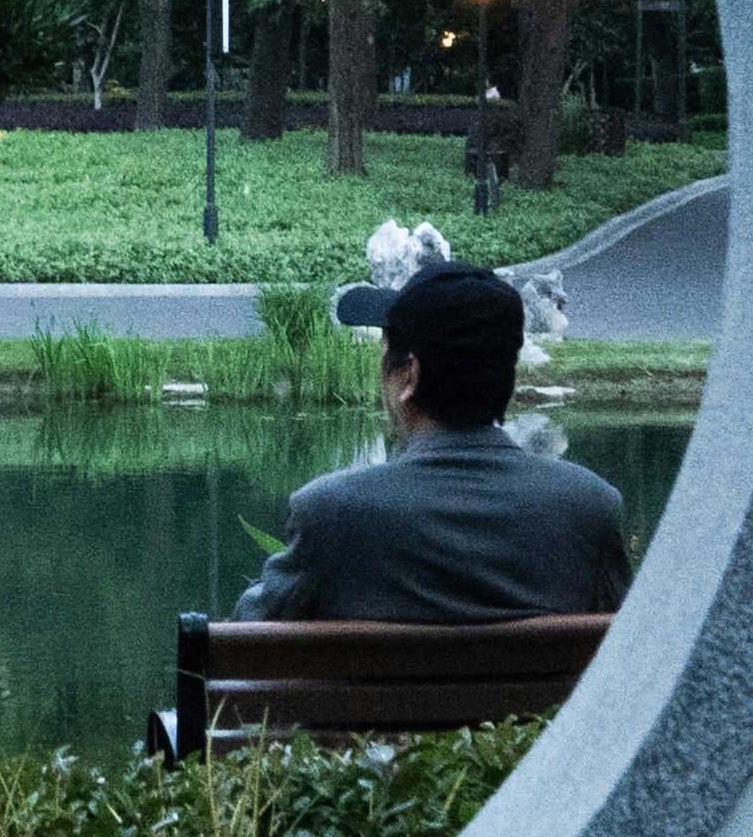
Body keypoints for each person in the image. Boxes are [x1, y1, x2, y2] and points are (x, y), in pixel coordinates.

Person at [232, 262, 635, 622]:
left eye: (384, 349)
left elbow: (240, 651)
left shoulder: (332, 513)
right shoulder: (590, 508)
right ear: (508, 374)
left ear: (409, 375)